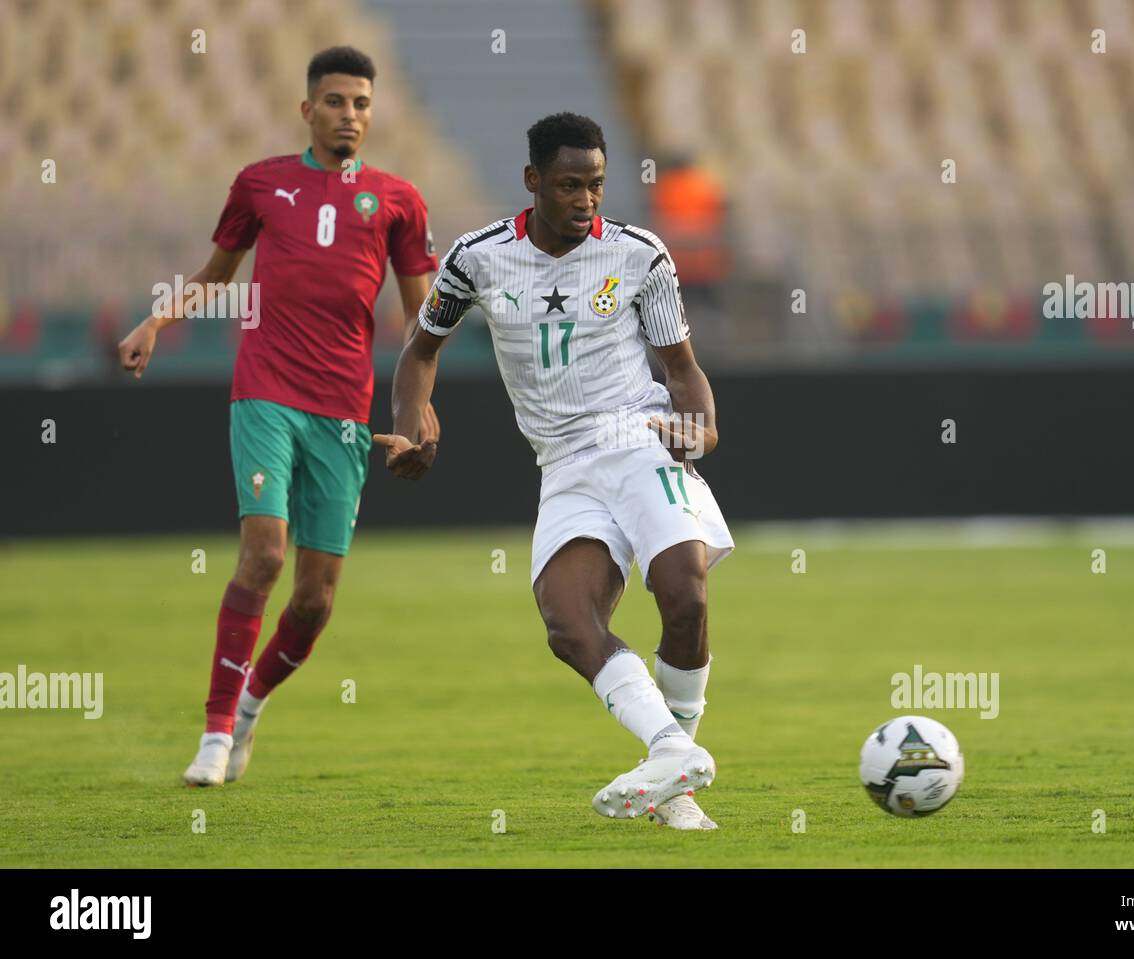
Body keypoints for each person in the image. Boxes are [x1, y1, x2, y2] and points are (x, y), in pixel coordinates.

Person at [377, 113, 734, 829]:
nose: (585, 200)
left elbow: (683, 372)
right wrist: (416, 419)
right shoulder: (477, 258)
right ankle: (672, 753)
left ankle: (676, 768)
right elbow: (420, 351)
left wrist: (701, 428)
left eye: (597, 185)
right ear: (533, 182)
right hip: (563, 462)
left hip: (637, 436)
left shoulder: (640, 254)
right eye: (570, 185)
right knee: (568, 624)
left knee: (686, 597)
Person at [116, 46, 440, 786]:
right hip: (264, 391)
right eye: (335, 101)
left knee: (315, 598)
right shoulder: (261, 184)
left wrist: (419, 406)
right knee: (263, 553)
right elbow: (215, 277)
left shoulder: (397, 200)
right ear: (307, 110)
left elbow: (424, 317)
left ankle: (253, 706)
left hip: (342, 411)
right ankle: (214, 730)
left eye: (361, 103)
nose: (349, 115)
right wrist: (154, 324)